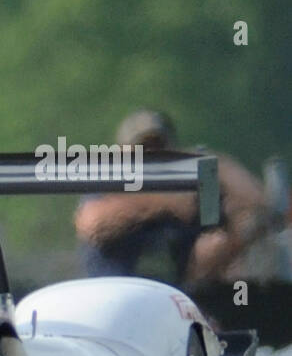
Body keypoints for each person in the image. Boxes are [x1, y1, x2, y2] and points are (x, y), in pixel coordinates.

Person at [74, 109, 270, 285]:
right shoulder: (109, 186)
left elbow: (255, 203)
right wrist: (165, 202)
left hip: (179, 305)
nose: (150, 156)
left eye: (158, 148)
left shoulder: (189, 192)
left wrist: (208, 165)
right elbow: (92, 224)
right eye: (141, 149)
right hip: (118, 301)